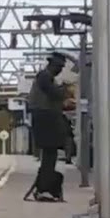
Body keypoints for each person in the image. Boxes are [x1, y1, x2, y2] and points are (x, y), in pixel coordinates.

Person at [27, 52, 69, 200]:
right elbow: (54, 94)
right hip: (44, 118)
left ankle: (45, 185)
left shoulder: (47, 78)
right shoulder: (44, 77)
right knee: (50, 152)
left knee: (51, 154)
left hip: (46, 118)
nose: (60, 70)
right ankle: (44, 186)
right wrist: (64, 89)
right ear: (52, 65)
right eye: (59, 67)